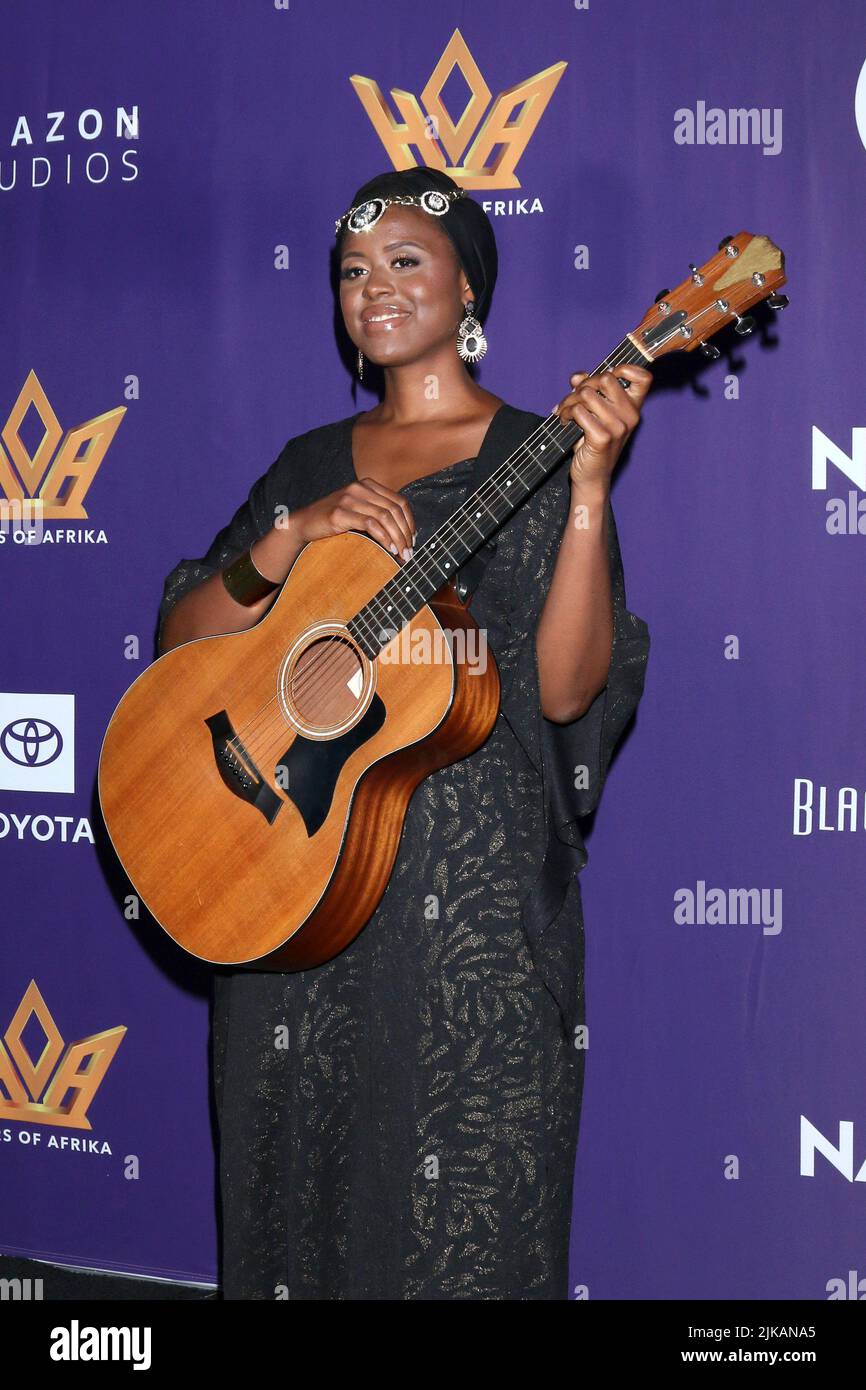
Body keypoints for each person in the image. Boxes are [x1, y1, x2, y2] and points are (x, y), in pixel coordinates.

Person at [157, 167, 652, 1300]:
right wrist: (286, 541)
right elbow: (187, 638)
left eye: (403, 259)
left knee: (461, 1227)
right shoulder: (307, 466)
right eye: (350, 268)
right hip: (290, 887)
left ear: (467, 285)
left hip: (464, 924)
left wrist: (584, 492)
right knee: (298, 1210)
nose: (370, 286)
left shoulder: (538, 448)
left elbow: (566, 689)